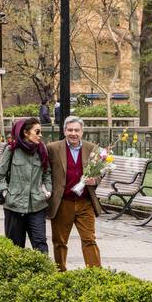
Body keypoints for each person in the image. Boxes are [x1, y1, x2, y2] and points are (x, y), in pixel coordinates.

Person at [47, 116, 103, 270]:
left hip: (85, 203)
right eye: (70, 130)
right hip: (63, 202)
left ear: (82, 132)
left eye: (76, 130)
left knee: (89, 239)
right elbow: (46, 172)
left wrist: (95, 180)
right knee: (59, 241)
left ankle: (96, 274)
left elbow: (100, 171)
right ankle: (60, 272)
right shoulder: (53, 148)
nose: (73, 133)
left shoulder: (92, 148)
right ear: (64, 131)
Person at [0, 117, 51, 253]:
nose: (40, 135)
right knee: (14, 247)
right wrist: (5, 193)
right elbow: (0, 176)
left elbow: (47, 174)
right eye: (37, 132)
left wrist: (47, 190)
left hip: (37, 204)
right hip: (14, 205)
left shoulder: (42, 150)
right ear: (26, 133)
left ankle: (43, 273)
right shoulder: (11, 150)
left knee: (40, 245)